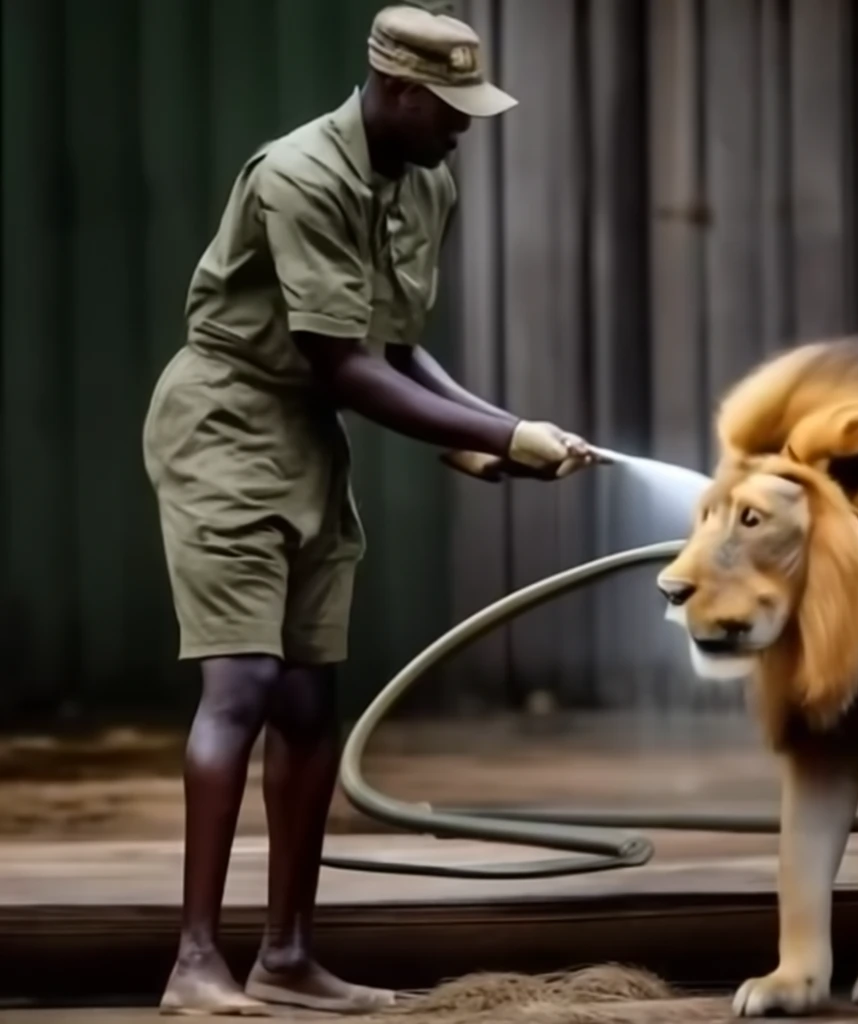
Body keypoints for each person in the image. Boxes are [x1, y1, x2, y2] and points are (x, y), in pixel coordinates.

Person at [142, 3, 601, 1017]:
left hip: (310, 435)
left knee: (309, 703)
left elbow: (390, 346)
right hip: (227, 422)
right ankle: (193, 965)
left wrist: (481, 431)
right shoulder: (299, 176)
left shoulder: (425, 180)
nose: (463, 127)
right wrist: (500, 433)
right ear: (394, 90)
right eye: (449, 107)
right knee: (245, 685)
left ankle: (287, 958)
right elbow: (338, 362)